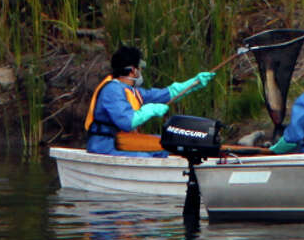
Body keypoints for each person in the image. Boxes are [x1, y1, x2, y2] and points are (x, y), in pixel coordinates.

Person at [84, 45, 216, 157]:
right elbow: (127, 122)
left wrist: (194, 82)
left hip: (123, 141)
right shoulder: (112, 91)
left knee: (165, 144)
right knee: (144, 157)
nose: (141, 72)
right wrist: (150, 109)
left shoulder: (132, 91)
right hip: (104, 145)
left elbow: (167, 94)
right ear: (132, 71)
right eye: (140, 68)